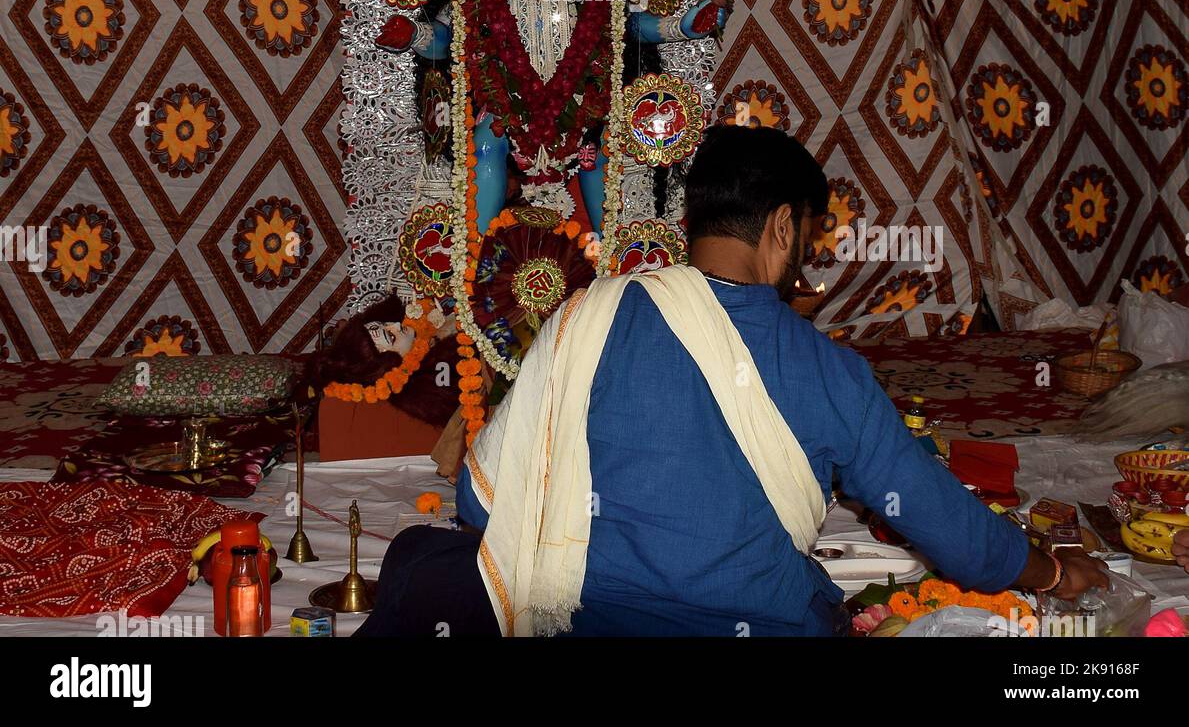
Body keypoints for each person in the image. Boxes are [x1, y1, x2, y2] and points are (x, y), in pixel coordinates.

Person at [360, 125, 1107, 636]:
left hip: (581, 621)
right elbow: (944, 525)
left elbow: (481, 505)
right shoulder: (827, 369)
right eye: (805, 236)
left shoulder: (585, 317)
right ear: (783, 226)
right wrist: (1046, 573)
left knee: (426, 562)